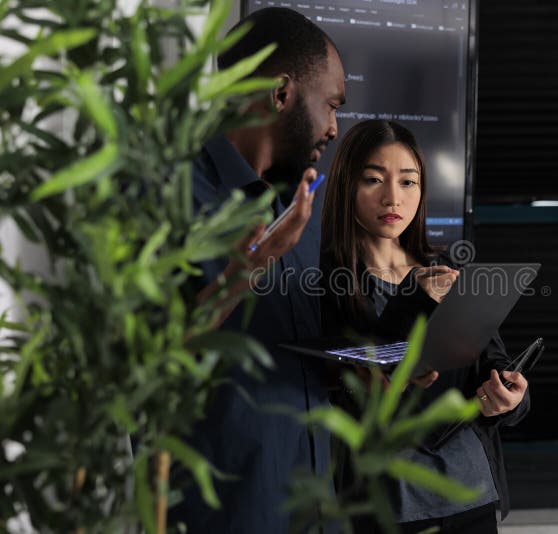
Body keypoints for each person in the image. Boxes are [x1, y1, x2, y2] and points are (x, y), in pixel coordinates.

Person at [171, 7, 346, 533]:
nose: (336, 128)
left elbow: (307, 355)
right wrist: (248, 269)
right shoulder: (176, 198)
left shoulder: (305, 210)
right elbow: (155, 364)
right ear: (280, 93)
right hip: (229, 517)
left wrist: (375, 366)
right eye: (331, 105)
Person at [320, 120, 530, 534]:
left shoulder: (447, 267)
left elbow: (495, 364)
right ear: (347, 186)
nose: (393, 197)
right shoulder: (328, 279)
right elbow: (364, 379)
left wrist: (512, 398)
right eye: (373, 179)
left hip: (470, 492)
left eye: (409, 181)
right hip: (390, 506)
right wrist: (414, 301)